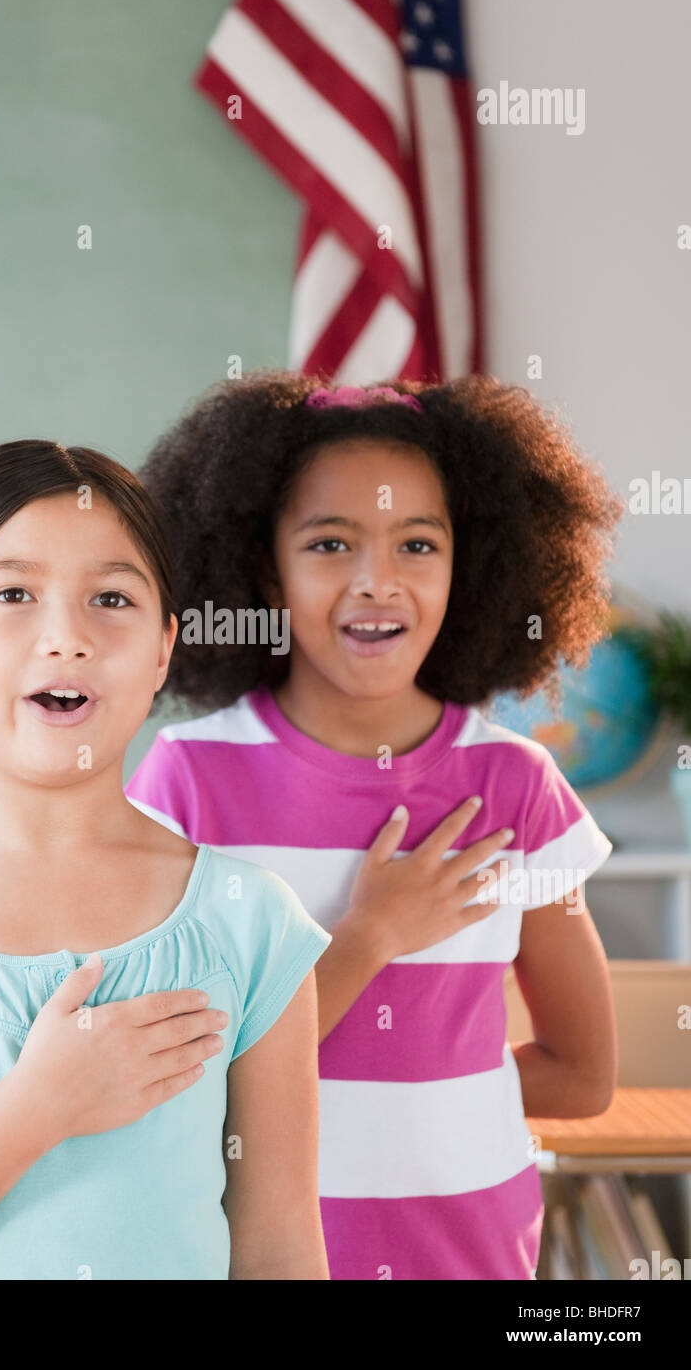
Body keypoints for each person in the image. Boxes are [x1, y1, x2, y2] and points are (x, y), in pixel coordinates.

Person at [0, 439, 331, 1280]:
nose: (67, 636)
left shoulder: (250, 921)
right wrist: (38, 1109)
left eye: (110, 598)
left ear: (160, 651)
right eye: (11, 593)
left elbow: (280, 1248)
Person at [125, 371, 623, 1280]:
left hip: (474, 1258)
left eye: (417, 544)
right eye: (328, 543)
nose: (376, 582)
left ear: (466, 566)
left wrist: (433, 1101)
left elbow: (582, 1077)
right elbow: (173, 1078)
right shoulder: (186, 782)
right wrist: (372, 936)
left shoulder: (515, 786)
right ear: (260, 567)